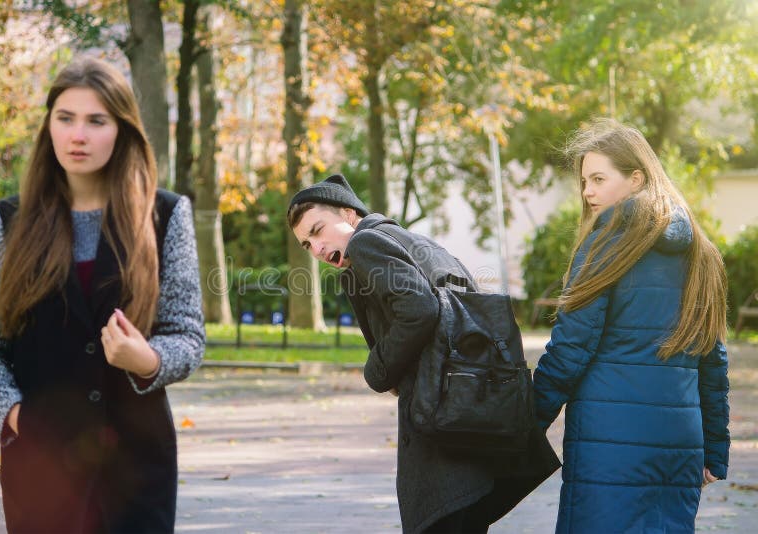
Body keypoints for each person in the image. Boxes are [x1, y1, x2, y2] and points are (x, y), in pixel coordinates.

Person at [0, 56, 205, 533]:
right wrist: (16, 418)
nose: (78, 135)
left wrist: (148, 359)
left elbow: (188, 335)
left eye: (97, 121)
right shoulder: (7, 221)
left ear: (122, 130)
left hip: (137, 467)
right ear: (48, 126)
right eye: (65, 118)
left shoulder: (167, 215)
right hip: (42, 468)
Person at [287, 174, 560, 534]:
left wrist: (378, 370)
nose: (318, 248)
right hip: (470, 419)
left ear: (348, 213)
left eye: (319, 230)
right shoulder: (414, 241)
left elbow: (419, 308)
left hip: (439, 423)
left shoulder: (367, 242)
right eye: (307, 244)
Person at [533, 118, 730, 533]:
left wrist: (525, 423)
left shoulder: (607, 244)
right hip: (679, 444)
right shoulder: (702, 250)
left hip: (610, 442)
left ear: (636, 177)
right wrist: (715, 449)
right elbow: (713, 361)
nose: (587, 192)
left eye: (599, 179)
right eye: (585, 181)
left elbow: (571, 349)